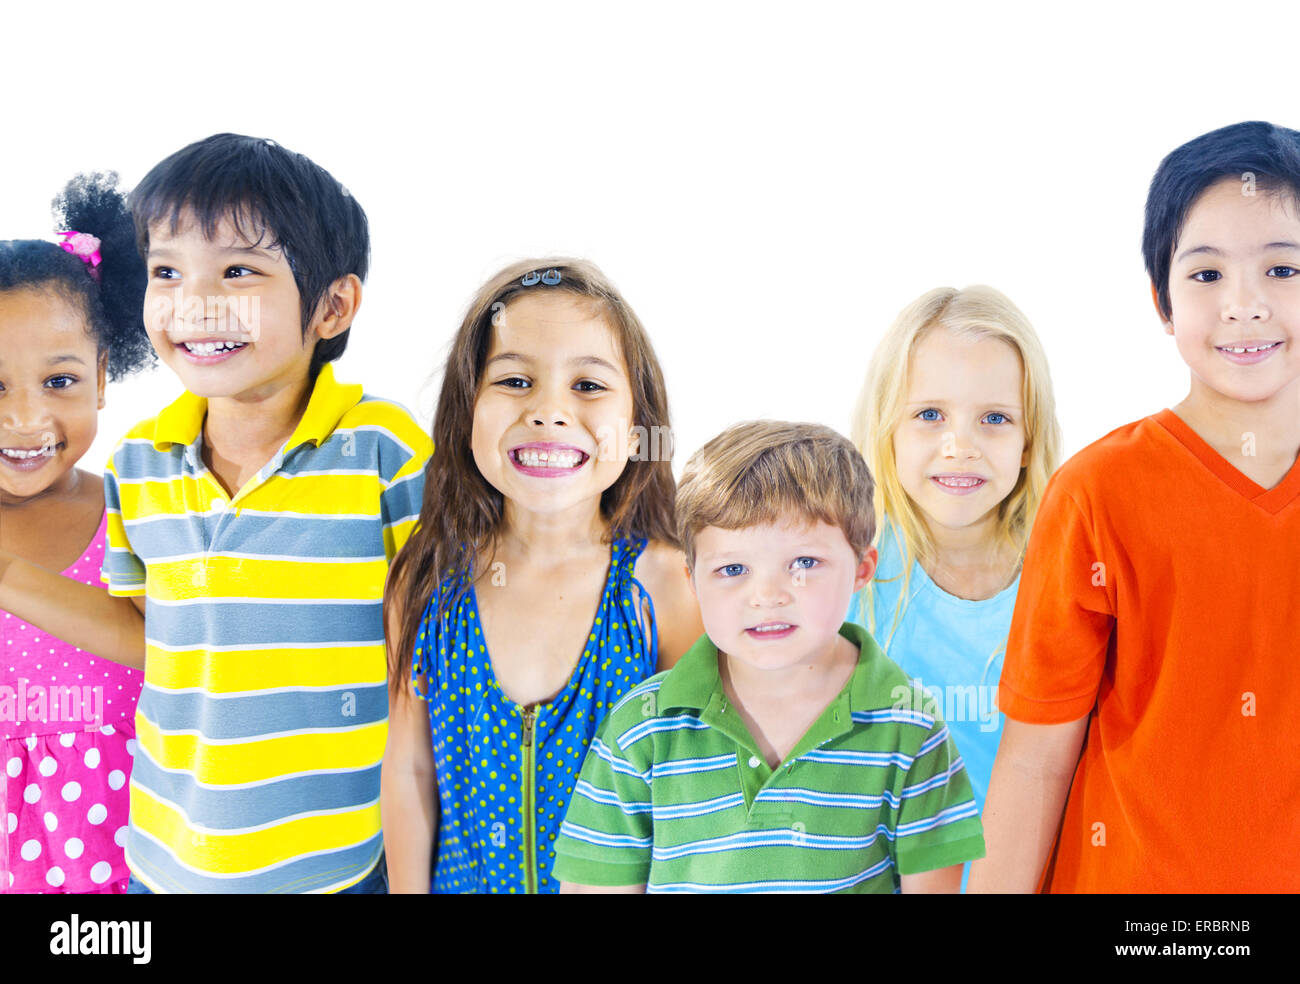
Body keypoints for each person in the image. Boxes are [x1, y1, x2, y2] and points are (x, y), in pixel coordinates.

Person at [0, 134, 431, 893]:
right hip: (164, 867)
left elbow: (437, 653)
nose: (195, 304)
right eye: (168, 271)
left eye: (237, 270)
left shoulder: (384, 452)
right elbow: (147, 636)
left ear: (332, 305)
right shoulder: (142, 464)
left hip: (339, 867)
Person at [971, 120, 1300, 893]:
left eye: (1283, 269)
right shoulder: (1098, 492)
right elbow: (1034, 760)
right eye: (1207, 275)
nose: (1245, 306)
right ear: (1161, 300)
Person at [553, 420, 984, 893]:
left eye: (804, 563)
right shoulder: (642, 730)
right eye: (733, 568)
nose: (768, 596)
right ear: (692, 579)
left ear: (862, 570)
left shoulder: (910, 726)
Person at [382, 259, 702, 893]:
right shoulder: (427, 576)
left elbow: (692, 790)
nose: (549, 411)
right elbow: (411, 768)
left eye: (588, 386)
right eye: (515, 379)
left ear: (638, 428)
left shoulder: (664, 585)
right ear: (466, 408)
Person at [846, 285, 1060, 889]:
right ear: (888, 427)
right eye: (929, 415)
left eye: (995, 418)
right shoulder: (845, 575)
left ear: (1027, 441)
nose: (959, 446)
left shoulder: (1066, 573)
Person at [1, 173, 154, 893]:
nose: (25, 419)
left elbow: (175, 651)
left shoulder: (139, 510)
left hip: (140, 857)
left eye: (57, 382)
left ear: (101, 376)